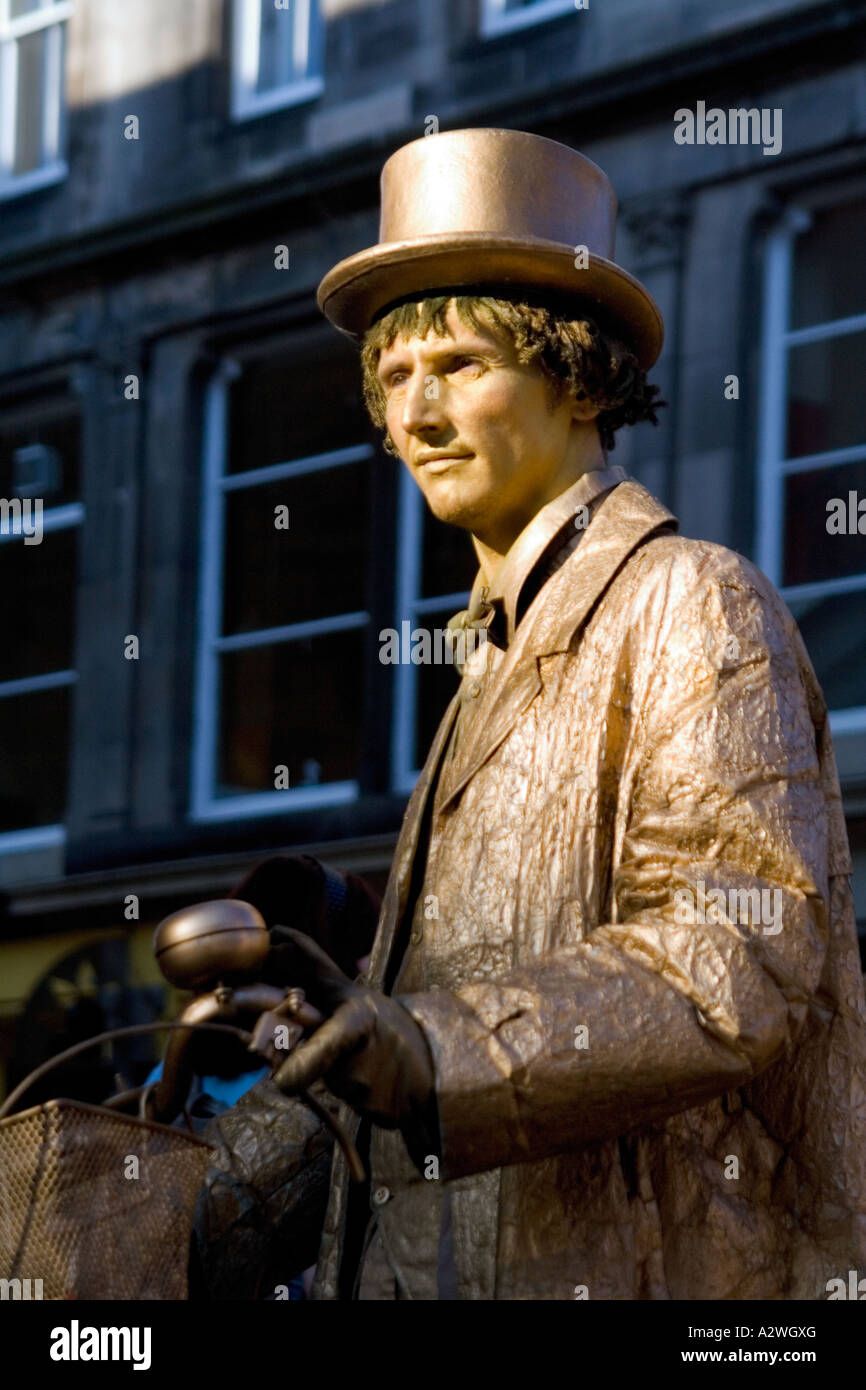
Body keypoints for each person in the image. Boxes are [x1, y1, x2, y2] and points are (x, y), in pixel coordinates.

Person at [200, 128, 866, 1301]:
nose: (416, 413)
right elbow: (395, 1062)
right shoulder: (484, 674)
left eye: (457, 364)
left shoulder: (686, 602)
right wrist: (205, 1172)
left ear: (574, 374)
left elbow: (738, 952)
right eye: (394, 379)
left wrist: (431, 1053)